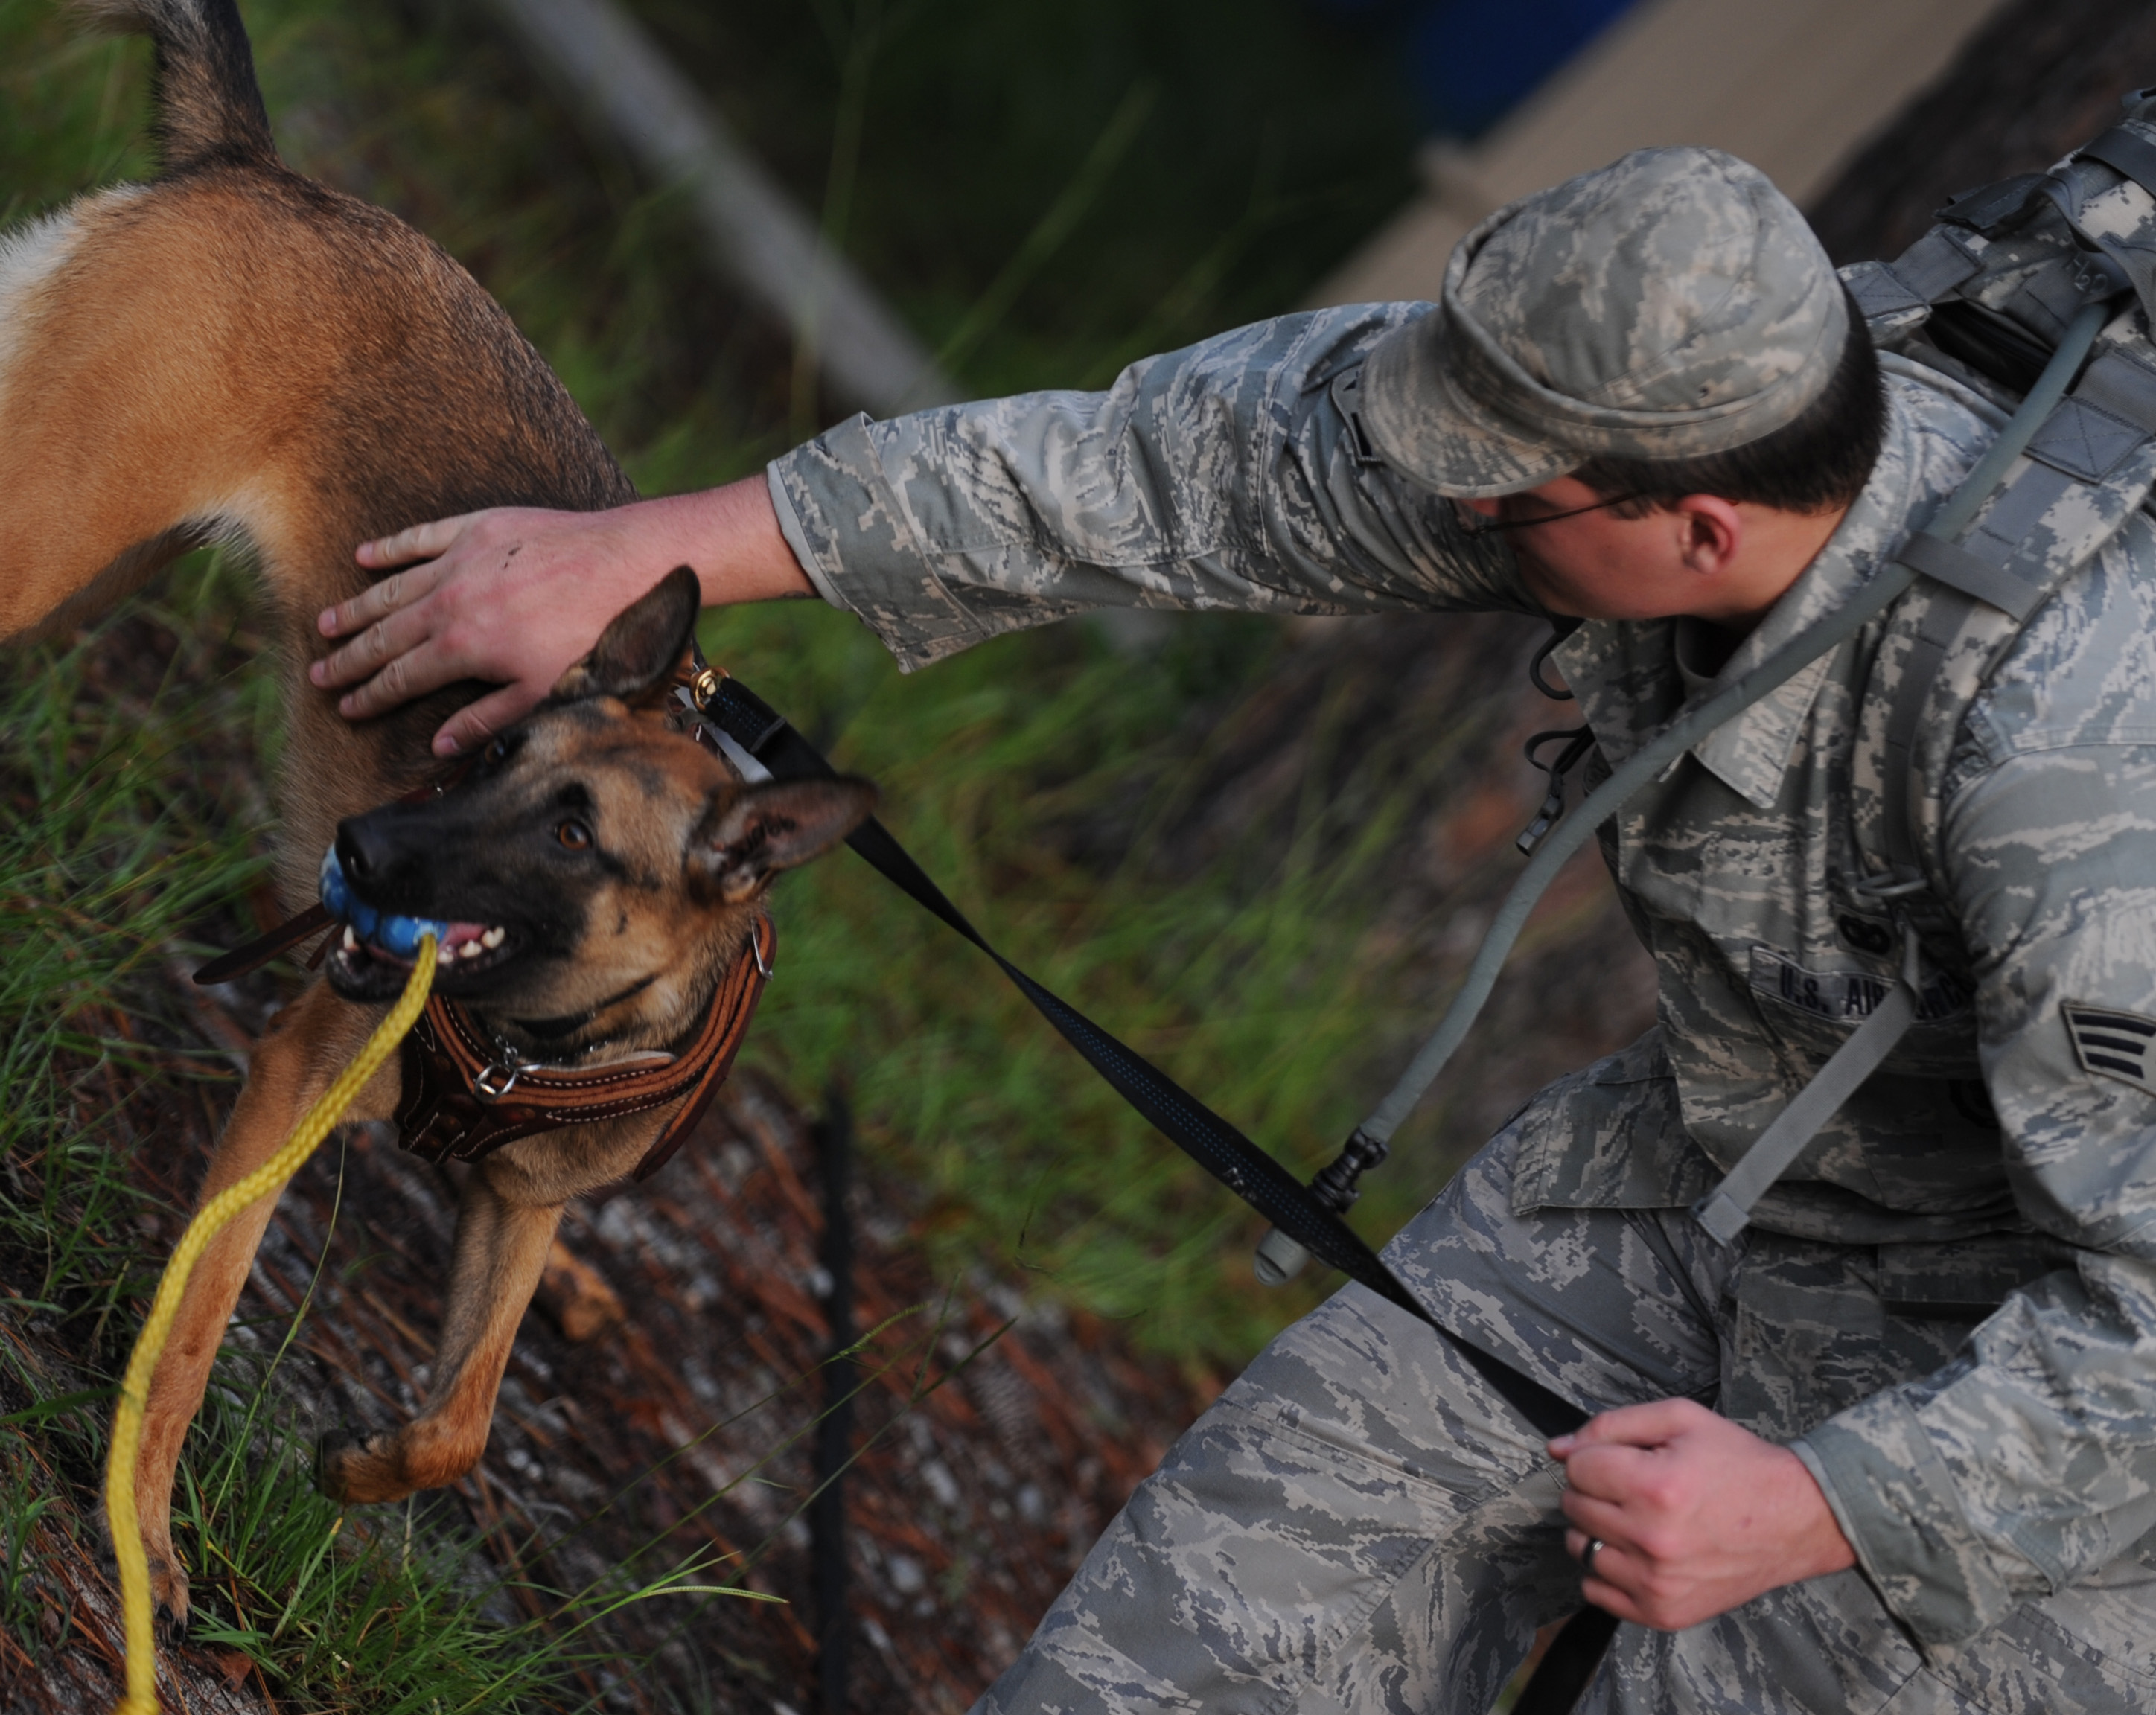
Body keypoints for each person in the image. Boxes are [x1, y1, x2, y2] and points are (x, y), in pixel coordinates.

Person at [306, 147, 2156, 1711]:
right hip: (1719, 1173)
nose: (1447, 497)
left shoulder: (2067, 754)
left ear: (1691, 527)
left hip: (2031, 1429)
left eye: (1495, 489)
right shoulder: (1648, 408)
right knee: (1161, 1662)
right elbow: (1193, 466)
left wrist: (1820, 1508)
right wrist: (656, 546)